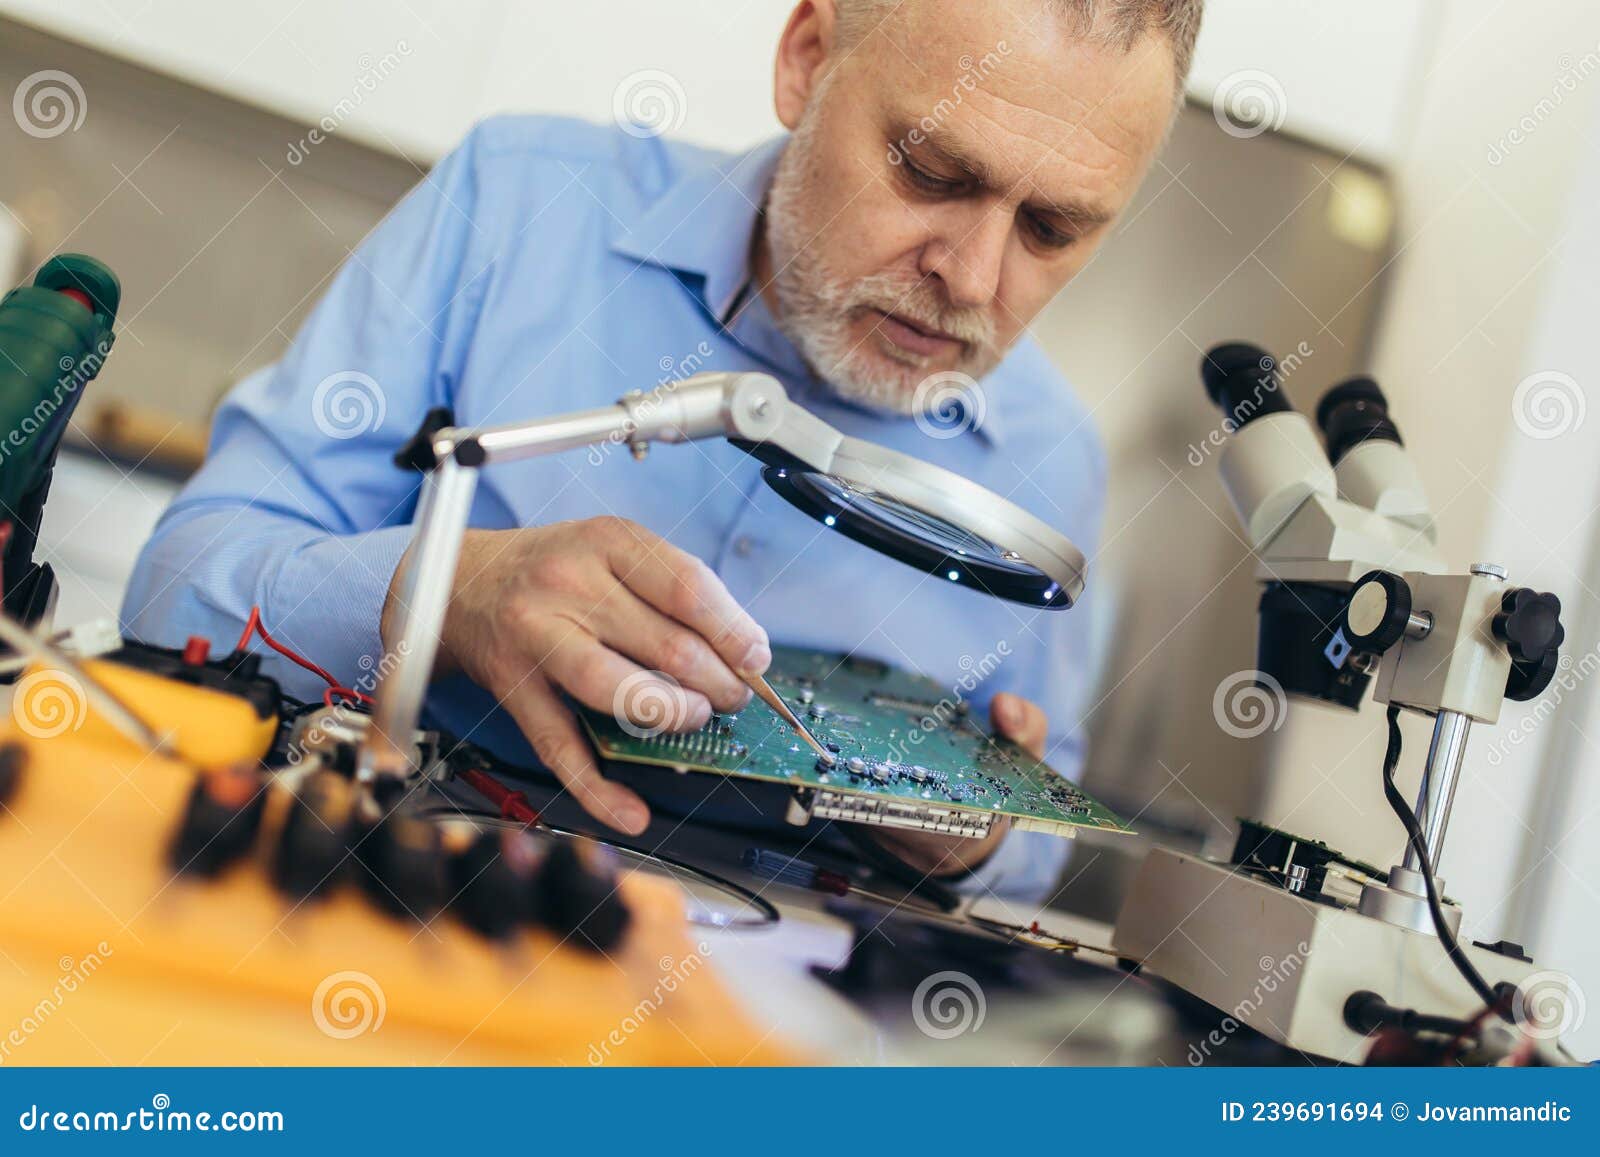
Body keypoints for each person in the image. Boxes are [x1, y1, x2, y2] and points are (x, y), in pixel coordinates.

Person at [124, 0, 1203, 899]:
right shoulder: (518, 205)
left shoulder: (1051, 460)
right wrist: (446, 591)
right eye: (928, 170)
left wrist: (972, 836)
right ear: (806, 59)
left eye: (1050, 229)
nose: (970, 278)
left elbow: (1036, 837)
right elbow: (175, 589)